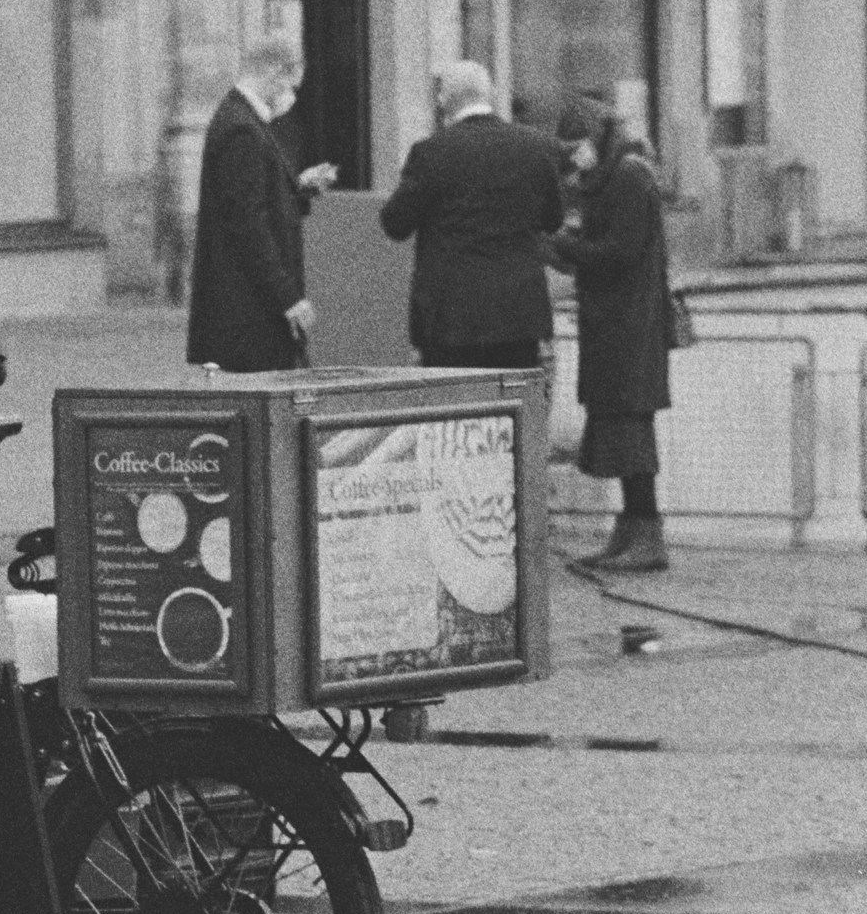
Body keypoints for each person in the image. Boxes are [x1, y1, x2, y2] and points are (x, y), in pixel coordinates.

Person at [377, 58, 564, 373]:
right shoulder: (537, 147)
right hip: (519, 316)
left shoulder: (431, 153)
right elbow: (552, 220)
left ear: (443, 100)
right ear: (489, 94)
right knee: (513, 414)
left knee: (456, 416)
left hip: (450, 319)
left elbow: (395, 224)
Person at [550, 99, 673, 573]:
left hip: (630, 327)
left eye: (577, 146)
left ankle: (646, 534)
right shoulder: (612, 177)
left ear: (595, 136)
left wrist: (566, 245)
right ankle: (631, 529)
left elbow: (619, 252)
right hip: (615, 323)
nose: (575, 158)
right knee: (619, 428)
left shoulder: (628, 176)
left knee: (630, 429)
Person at [185, 32, 336, 372]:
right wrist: (288, 298)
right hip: (248, 314)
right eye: (291, 85)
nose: (291, 97)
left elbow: (252, 202)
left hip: (246, 310)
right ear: (274, 72)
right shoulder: (242, 128)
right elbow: (249, 225)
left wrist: (298, 189)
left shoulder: (242, 120)